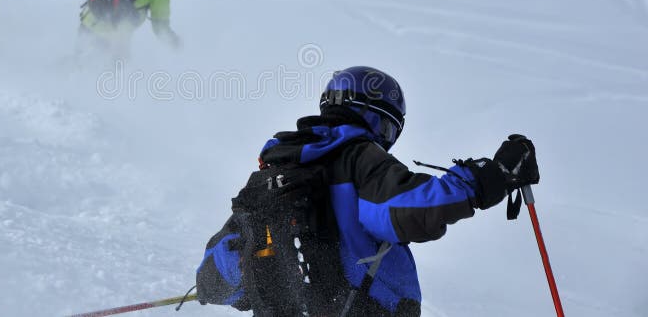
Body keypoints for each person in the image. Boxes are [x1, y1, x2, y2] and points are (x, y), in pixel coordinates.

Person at [196, 66, 539, 316]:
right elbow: (413, 207)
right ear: (367, 115)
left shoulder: (272, 174)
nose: (385, 140)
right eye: (385, 126)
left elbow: (213, 276)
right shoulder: (358, 156)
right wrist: (491, 176)